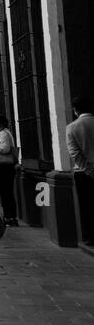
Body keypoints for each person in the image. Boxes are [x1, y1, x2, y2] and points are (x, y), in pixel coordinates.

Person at [66, 96, 94, 243]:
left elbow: (75, 153)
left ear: (75, 110)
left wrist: (88, 170)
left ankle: (90, 236)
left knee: (87, 205)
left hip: (83, 173)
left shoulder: (72, 127)